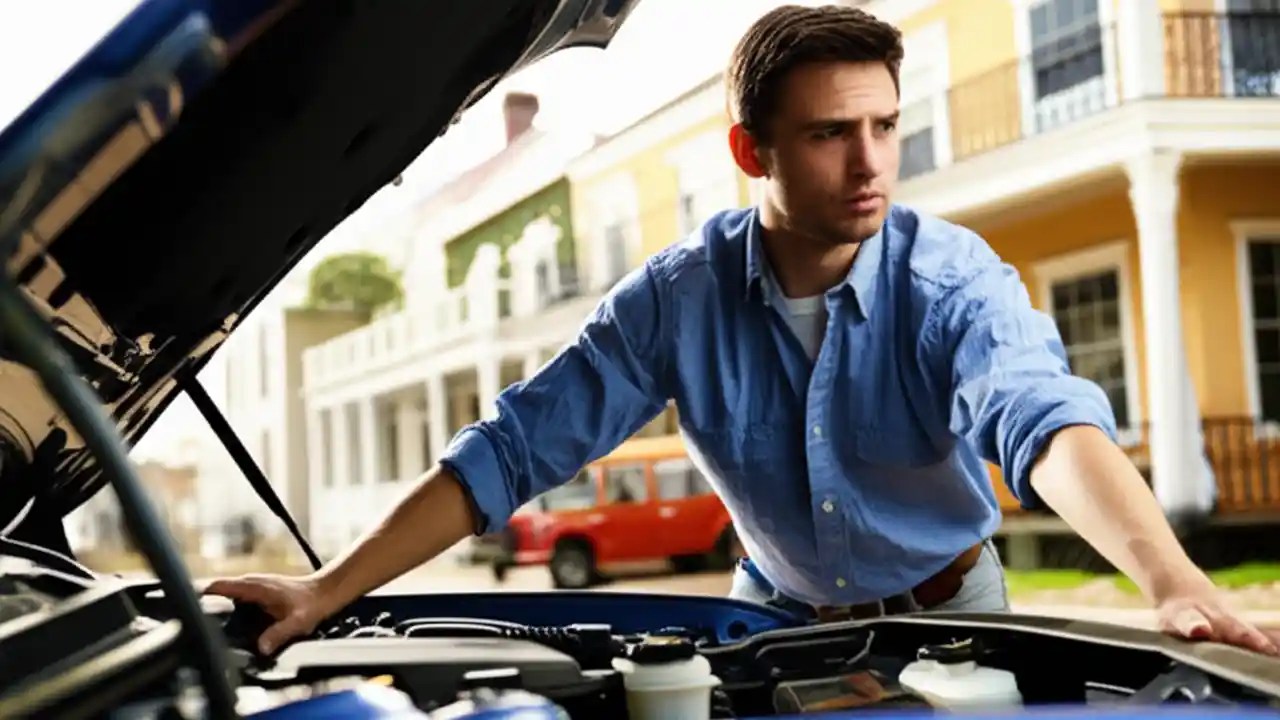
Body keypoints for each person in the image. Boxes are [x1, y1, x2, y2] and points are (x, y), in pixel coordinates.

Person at [207, 4, 1278, 657]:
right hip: (765, 622)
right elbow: (510, 449)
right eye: (827, 135)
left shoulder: (950, 281)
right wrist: (324, 590)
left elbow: (1041, 424)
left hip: (957, 610)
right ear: (749, 149)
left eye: (881, 127)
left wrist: (1172, 582)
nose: (869, 164)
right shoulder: (673, 299)